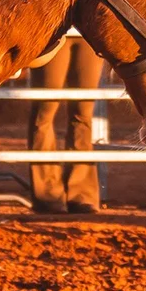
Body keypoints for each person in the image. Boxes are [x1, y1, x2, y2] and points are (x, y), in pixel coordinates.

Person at [27, 40, 104, 215]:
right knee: (44, 111)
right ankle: (47, 193)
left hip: (88, 36)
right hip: (55, 34)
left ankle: (82, 194)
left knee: (83, 112)